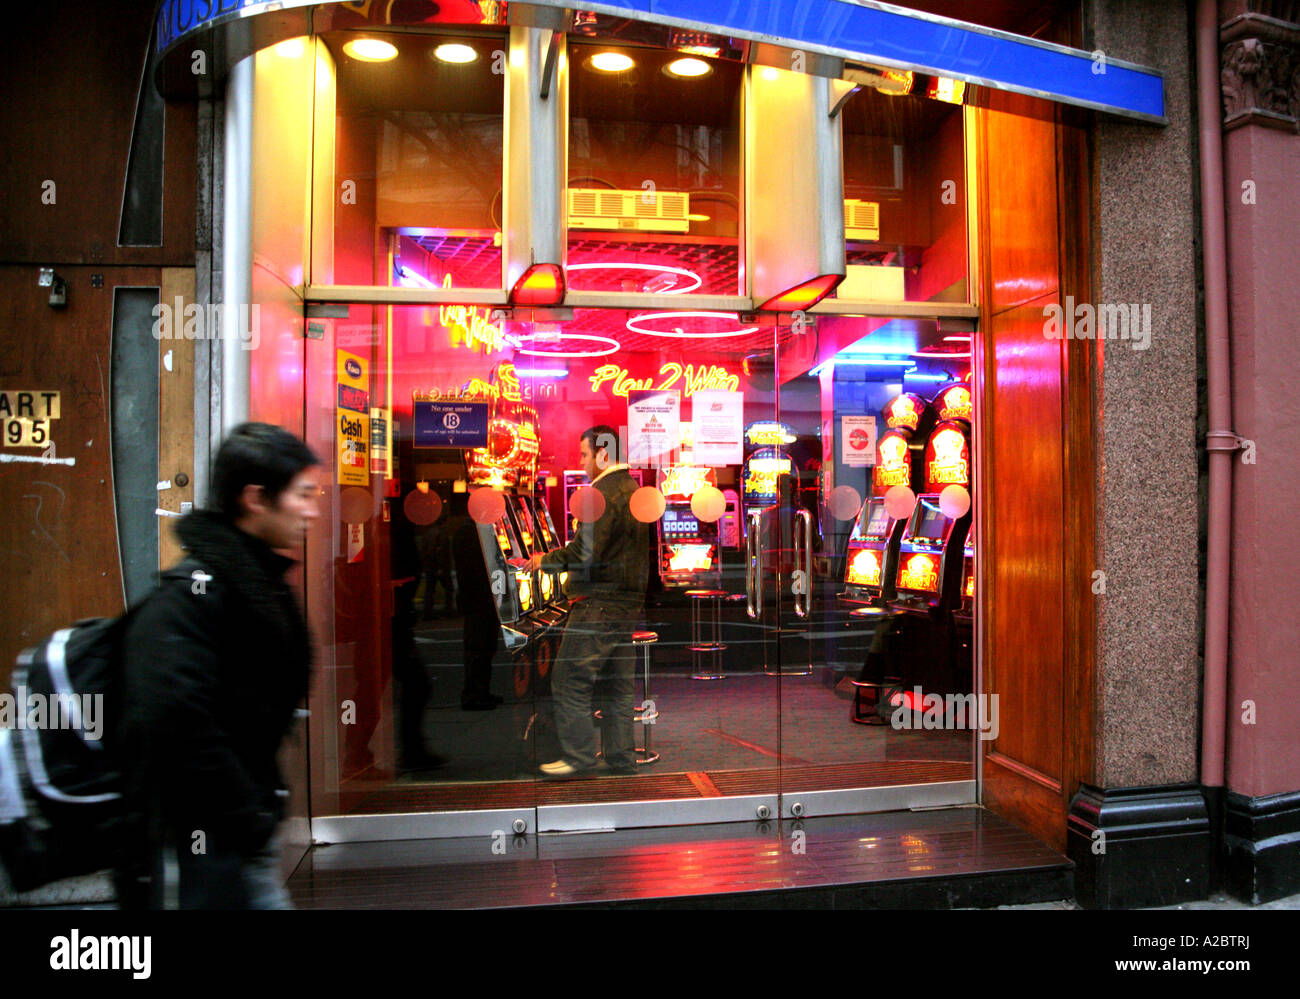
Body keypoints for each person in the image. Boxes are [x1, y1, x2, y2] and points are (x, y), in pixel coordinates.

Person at [115, 422, 319, 909]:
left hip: (238, 834)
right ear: (255, 498)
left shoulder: (253, 582)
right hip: (204, 842)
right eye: (303, 495)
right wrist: (243, 812)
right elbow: (173, 718)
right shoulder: (195, 595)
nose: (312, 510)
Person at [529, 425, 647, 777]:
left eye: (584, 454)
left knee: (569, 679)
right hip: (626, 603)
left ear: (603, 453)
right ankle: (620, 759)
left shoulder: (602, 492)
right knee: (618, 686)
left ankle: (579, 758)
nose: (581, 463)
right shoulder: (633, 488)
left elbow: (585, 553)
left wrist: (543, 561)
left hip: (598, 602)